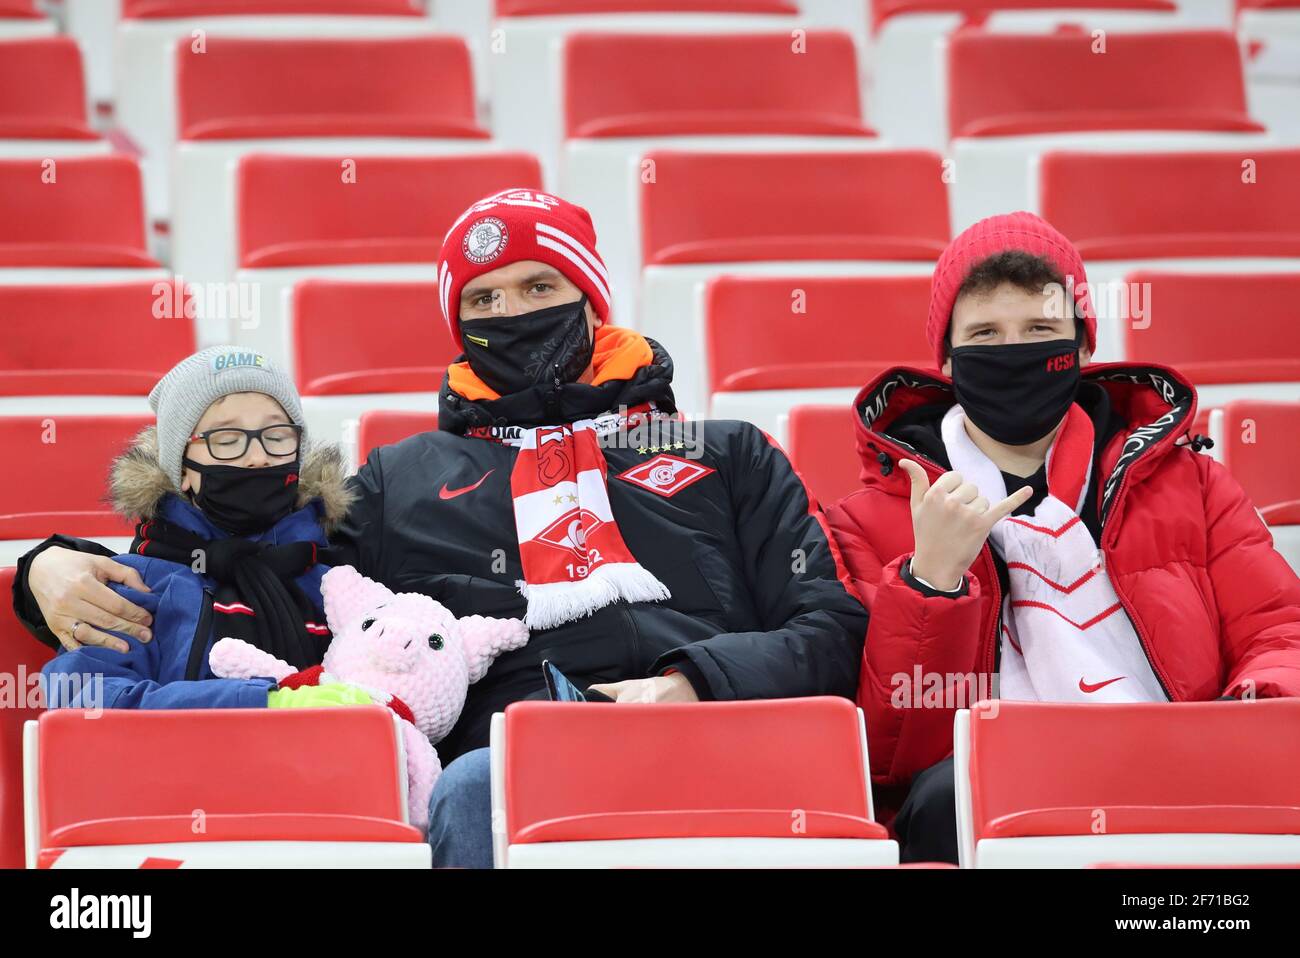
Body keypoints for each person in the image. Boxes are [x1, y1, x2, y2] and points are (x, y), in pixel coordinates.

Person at [14, 189, 868, 867]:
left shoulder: (724, 450)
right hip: (514, 755)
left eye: (540, 287)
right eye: (485, 299)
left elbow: (828, 629)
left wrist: (686, 682)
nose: (513, 312)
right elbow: (238, 555)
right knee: (475, 792)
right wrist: (42, 568)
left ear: (591, 298)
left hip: (725, 733)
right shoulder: (400, 477)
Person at [826, 211, 1300, 863]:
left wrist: (1252, 713)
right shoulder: (867, 519)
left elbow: (1278, 630)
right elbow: (890, 755)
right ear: (947, 358)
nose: (1012, 353)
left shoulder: (1191, 483)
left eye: (1040, 331)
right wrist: (930, 580)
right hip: (994, 786)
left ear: (1079, 350)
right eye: (986, 333)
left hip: (1181, 760)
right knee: (940, 799)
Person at [41, 346, 376, 711]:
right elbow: (85, 700)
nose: (257, 457)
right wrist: (264, 705)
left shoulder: (337, 585)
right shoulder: (135, 586)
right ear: (181, 469)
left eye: (277, 437)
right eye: (227, 440)